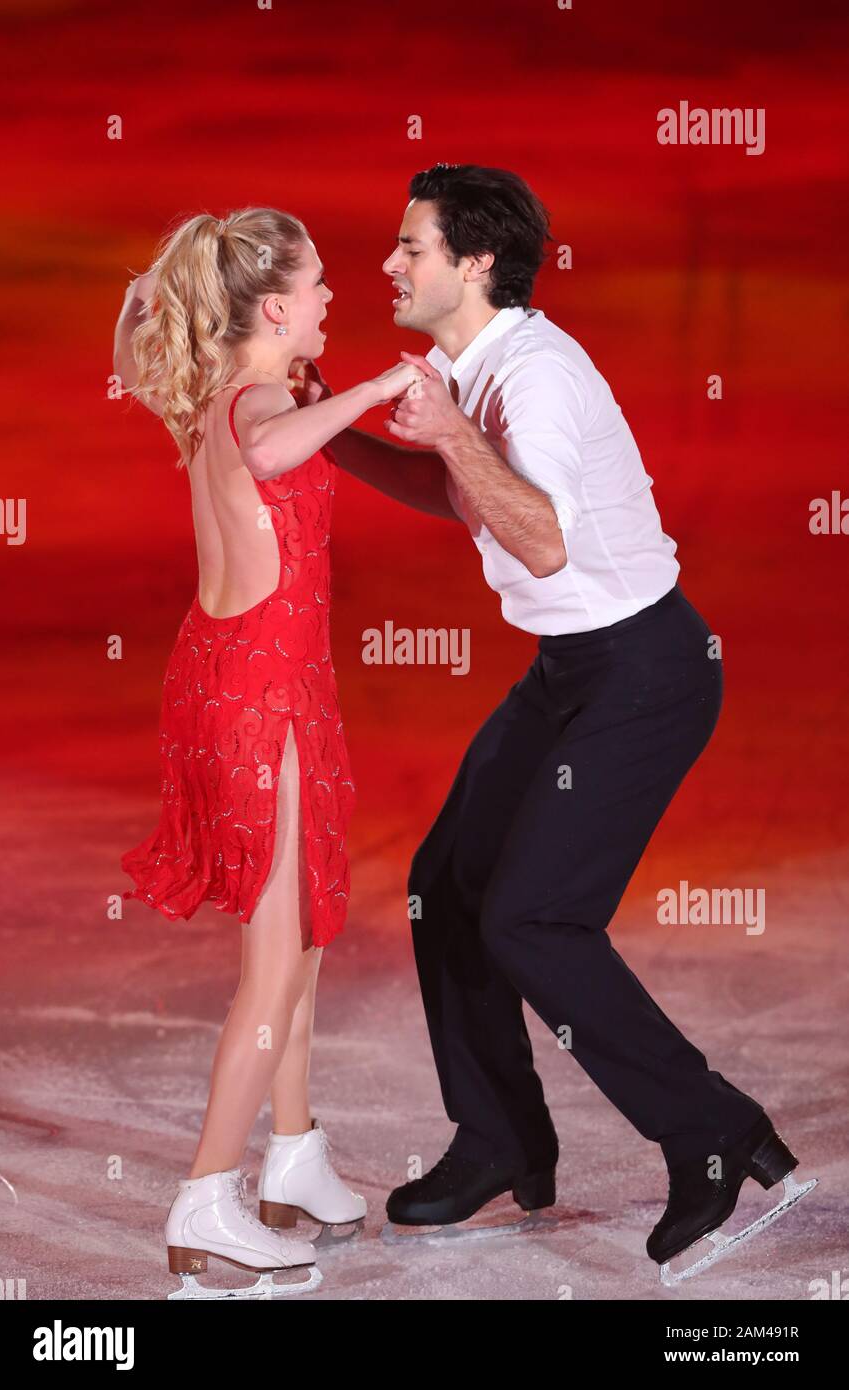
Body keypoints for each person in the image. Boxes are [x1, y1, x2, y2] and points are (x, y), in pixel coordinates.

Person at [323, 164, 806, 1276]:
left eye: (411, 247)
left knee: (532, 921)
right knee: (444, 888)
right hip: (572, 669)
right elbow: (462, 492)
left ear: (473, 261)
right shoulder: (475, 366)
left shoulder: (531, 376)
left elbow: (537, 538)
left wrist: (447, 431)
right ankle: (500, 1139)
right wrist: (328, 428)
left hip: (642, 674)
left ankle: (714, 1133)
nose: (390, 265)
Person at [114, 207, 423, 1294]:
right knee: (274, 959)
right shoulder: (249, 403)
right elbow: (269, 445)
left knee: (303, 938)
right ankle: (206, 1202)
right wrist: (377, 390)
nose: (336, 297)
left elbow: (265, 427)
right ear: (277, 306)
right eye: (321, 284)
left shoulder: (240, 388)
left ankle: (291, 1155)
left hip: (250, 679)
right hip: (257, 700)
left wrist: (333, 392)